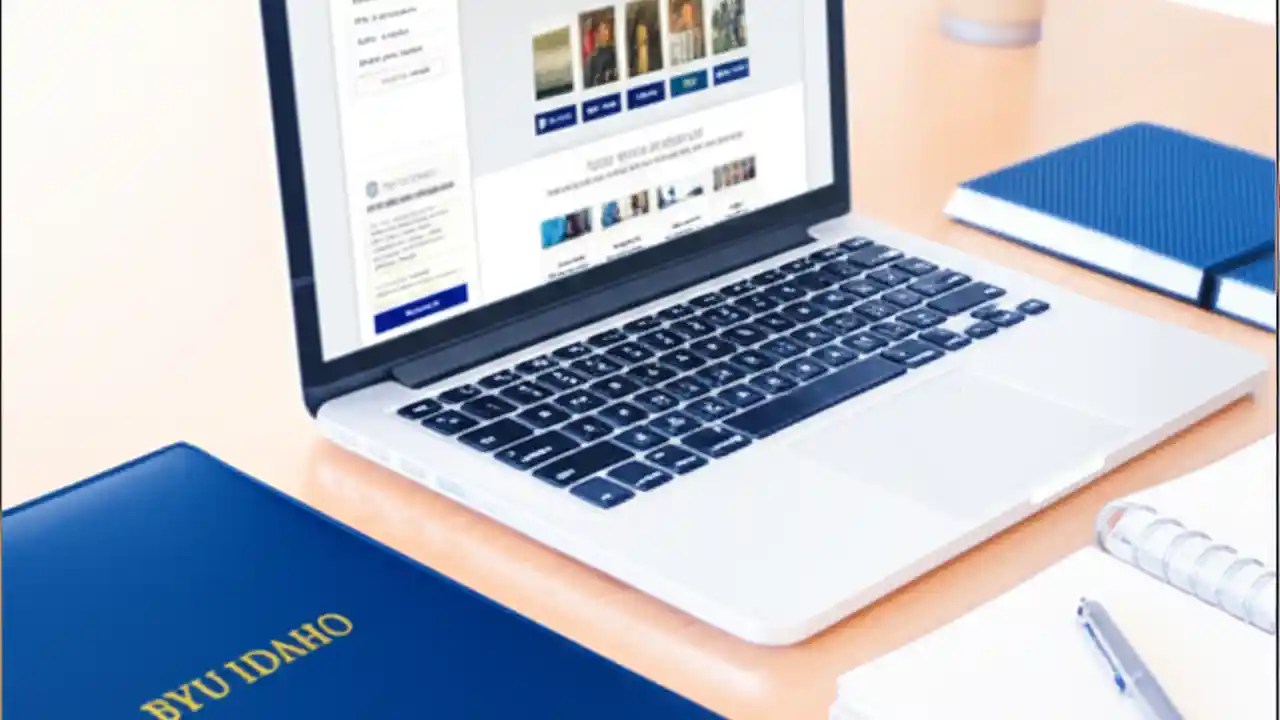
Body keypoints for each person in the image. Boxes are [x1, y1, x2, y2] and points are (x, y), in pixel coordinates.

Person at [585, 18, 618, 87]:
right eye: (605, 29)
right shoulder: (592, 59)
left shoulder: (613, 50)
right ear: (595, 34)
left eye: (607, 28)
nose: (607, 32)